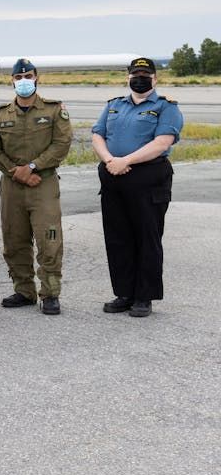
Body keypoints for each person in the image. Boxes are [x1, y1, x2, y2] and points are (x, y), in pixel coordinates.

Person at [91, 57, 183, 318]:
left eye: (145, 74)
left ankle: (144, 296)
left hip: (148, 177)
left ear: (155, 78)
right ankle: (124, 293)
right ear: (128, 77)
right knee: (118, 238)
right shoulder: (114, 105)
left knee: (147, 238)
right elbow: (97, 134)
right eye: (135, 73)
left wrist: (126, 161)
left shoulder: (166, 107)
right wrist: (110, 160)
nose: (139, 78)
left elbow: (162, 142)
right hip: (113, 176)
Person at [0, 59, 73, 316]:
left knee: (49, 240)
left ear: (37, 78)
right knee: (14, 240)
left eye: (28, 75)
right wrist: (18, 172)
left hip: (43, 184)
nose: (23, 80)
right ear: (11, 80)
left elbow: (62, 144)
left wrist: (33, 167)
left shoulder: (54, 110)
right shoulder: (1, 114)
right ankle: (24, 290)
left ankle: (50, 293)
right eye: (18, 77)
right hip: (13, 185)